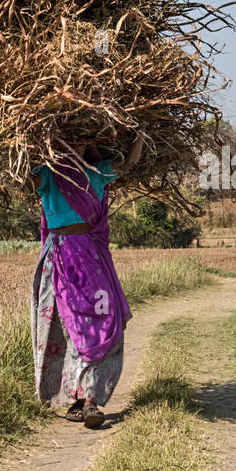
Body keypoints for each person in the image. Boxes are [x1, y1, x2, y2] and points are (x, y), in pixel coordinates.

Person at [31, 133, 143, 428]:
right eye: (67, 140)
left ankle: (91, 399)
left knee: (102, 323)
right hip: (60, 258)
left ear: (88, 144)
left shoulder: (97, 172)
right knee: (69, 327)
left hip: (90, 258)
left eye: (80, 140)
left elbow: (130, 161)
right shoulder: (47, 173)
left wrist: (141, 132)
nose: (74, 145)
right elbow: (25, 184)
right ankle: (76, 398)